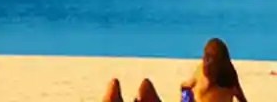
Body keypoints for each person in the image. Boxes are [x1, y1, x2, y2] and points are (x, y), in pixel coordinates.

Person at [103, 38, 247, 102]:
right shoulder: (207, 72)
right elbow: (185, 87)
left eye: (207, 59)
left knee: (137, 89)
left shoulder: (218, 80)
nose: (204, 61)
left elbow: (184, 87)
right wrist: (186, 93)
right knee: (141, 87)